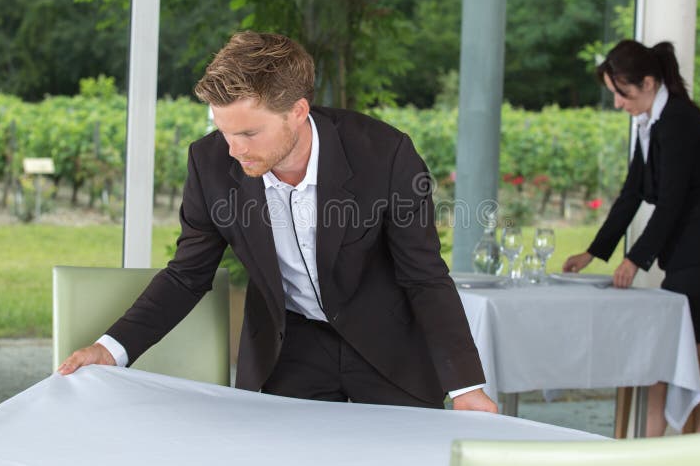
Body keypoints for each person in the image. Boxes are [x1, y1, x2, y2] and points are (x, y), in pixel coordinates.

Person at [58, 31, 497, 414]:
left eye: (248, 134)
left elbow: (424, 277)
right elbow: (187, 275)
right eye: (223, 130)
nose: (233, 149)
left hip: (389, 345)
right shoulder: (208, 163)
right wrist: (111, 349)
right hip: (288, 349)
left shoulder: (385, 154)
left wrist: (467, 387)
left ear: (298, 111)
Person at [563, 39, 700, 435]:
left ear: (648, 83)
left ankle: (693, 450)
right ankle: (684, 448)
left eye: (622, 93)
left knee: (696, 357)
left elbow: (671, 203)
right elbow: (632, 194)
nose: (618, 104)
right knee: (694, 356)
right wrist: (594, 252)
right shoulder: (652, 122)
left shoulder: (679, 121)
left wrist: (635, 259)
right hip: (694, 254)